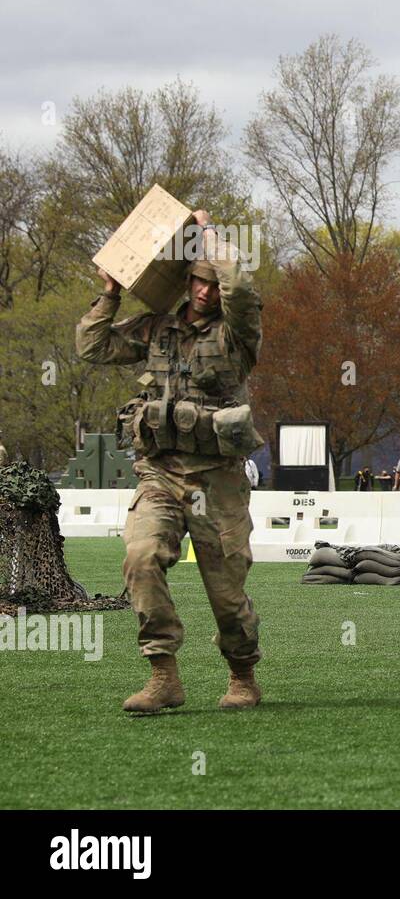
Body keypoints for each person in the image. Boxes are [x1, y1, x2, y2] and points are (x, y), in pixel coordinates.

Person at [75, 210, 264, 712]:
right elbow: (92, 346)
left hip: (216, 481)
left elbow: (241, 290)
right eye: (197, 281)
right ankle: (163, 675)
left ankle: (242, 675)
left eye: (211, 283)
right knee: (140, 558)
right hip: (159, 472)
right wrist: (111, 291)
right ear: (186, 280)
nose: (205, 292)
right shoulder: (156, 329)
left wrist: (211, 239)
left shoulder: (237, 336)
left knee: (226, 594)